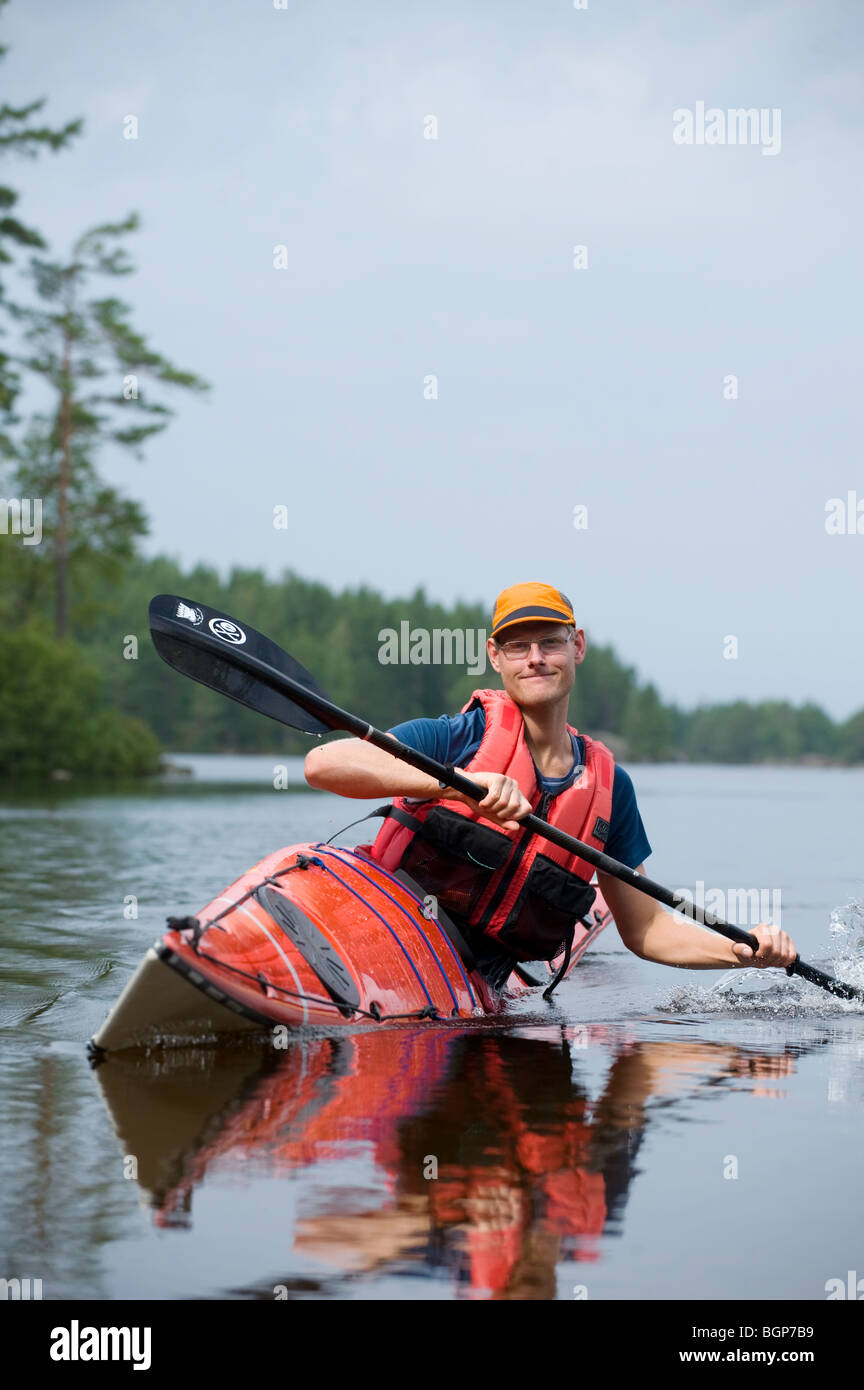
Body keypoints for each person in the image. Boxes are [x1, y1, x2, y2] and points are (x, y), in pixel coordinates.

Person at [304, 581, 797, 988]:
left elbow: (647, 930)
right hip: (381, 933)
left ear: (576, 646)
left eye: (550, 642)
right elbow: (324, 764)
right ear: (496, 657)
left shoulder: (611, 789)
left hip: (473, 981)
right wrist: (454, 785)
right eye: (518, 646)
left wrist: (744, 952)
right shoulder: (456, 737)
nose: (535, 658)